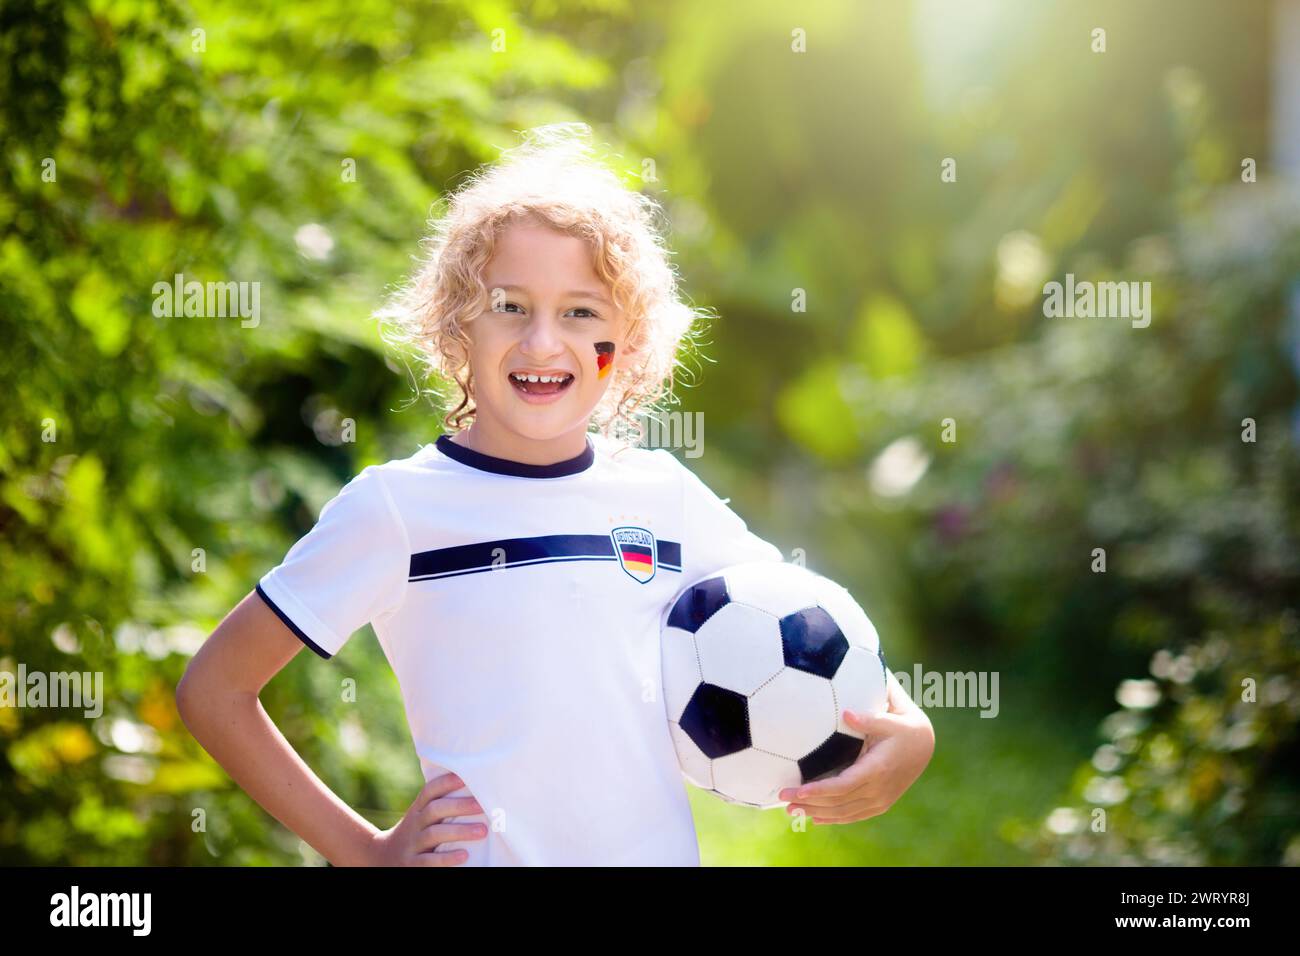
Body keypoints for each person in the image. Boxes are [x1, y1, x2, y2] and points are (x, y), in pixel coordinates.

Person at [175, 123, 934, 866]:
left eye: (580, 312)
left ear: (626, 342)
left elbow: (806, 632)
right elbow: (215, 689)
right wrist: (363, 852)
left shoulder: (662, 496)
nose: (543, 342)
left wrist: (910, 732)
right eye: (508, 306)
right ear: (455, 326)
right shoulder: (398, 511)